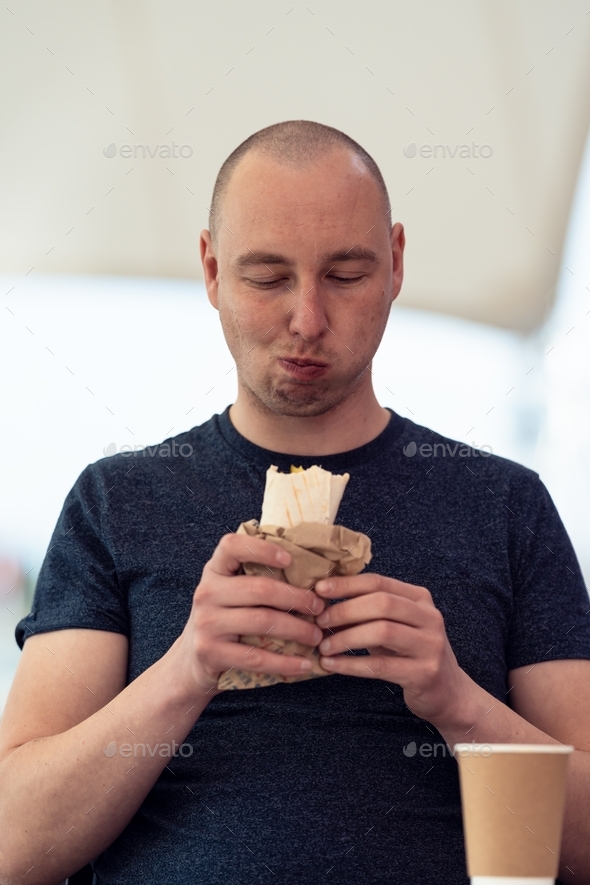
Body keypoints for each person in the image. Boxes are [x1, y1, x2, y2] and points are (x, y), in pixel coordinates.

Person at [1, 120, 590, 885]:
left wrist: (457, 702)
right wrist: (188, 667)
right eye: (268, 277)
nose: (307, 319)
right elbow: (15, 843)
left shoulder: (505, 505)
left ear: (396, 264)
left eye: (344, 275)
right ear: (212, 269)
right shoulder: (116, 501)